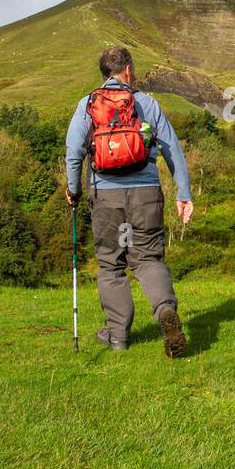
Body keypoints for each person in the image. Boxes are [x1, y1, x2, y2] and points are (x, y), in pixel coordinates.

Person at [65, 46, 193, 357]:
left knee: (111, 265)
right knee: (148, 260)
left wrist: (73, 190)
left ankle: (118, 336)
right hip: (146, 194)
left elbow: (74, 153)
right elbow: (171, 149)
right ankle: (164, 311)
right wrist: (183, 192)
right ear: (128, 71)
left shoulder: (87, 105)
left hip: (106, 195)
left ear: (104, 74)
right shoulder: (147, 104)